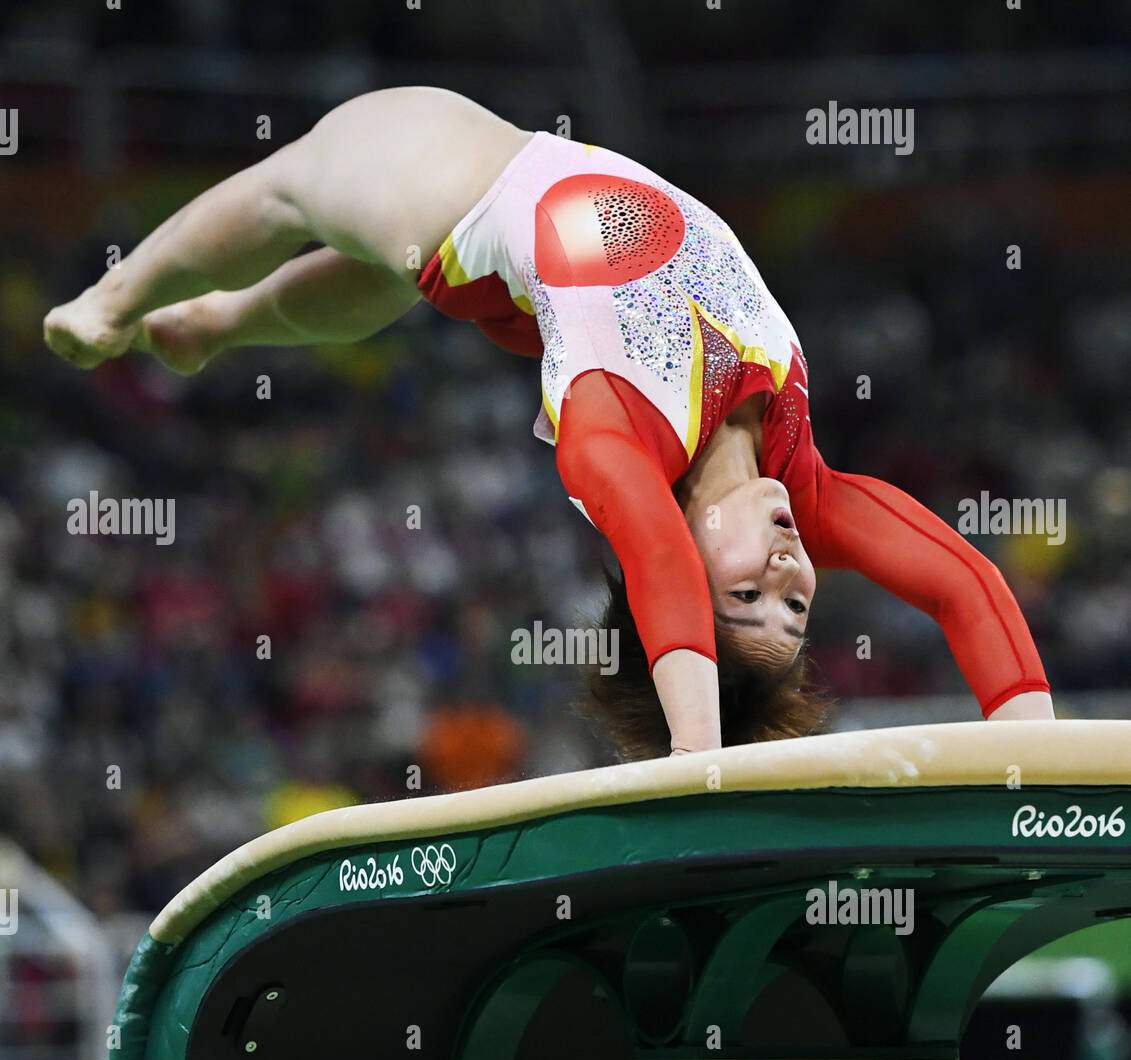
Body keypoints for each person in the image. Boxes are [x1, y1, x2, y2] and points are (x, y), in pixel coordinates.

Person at [43, 87, 1054, 761]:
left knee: (293, 189)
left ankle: (118, 297)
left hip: (458, 184)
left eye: (752, 594)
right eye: (801, 608)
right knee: (395, 275)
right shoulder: (805, 479)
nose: (794, 577)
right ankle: (221, 324)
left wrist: (697, 768)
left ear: (695, 557)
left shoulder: (613, 442)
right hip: (501, 260)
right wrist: (1040, 771)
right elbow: (967, 587)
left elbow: (653, 560)